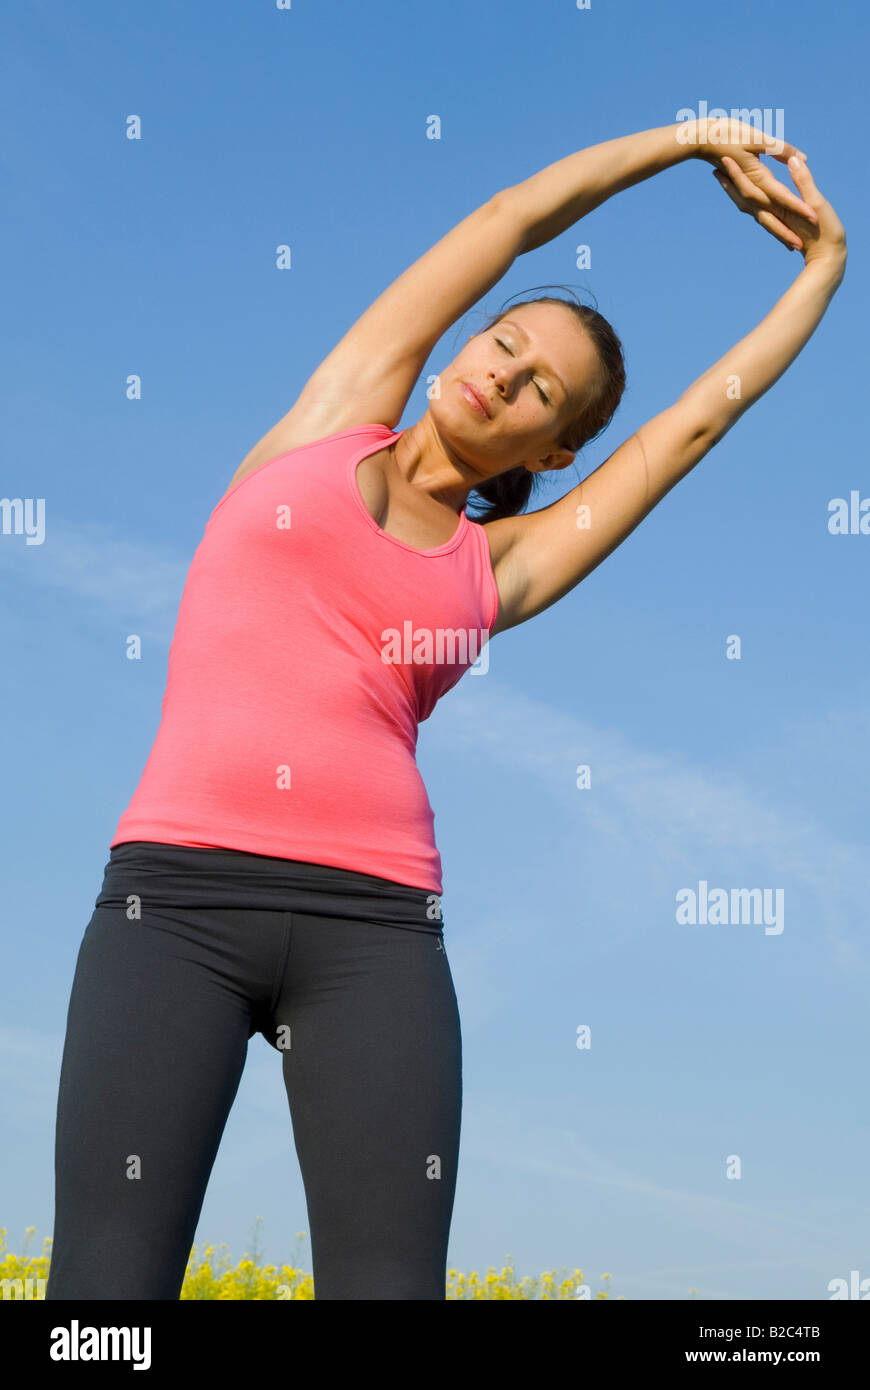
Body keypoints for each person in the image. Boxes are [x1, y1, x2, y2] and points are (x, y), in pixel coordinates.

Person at [45, 116, 846, 1301]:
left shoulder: (499, 568)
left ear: (557, 447)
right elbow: (511, 217)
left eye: (539, 391)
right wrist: (683, 142)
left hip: (372, 933)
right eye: (504, 341)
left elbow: (691, 430)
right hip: (175, 903)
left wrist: (827, 267)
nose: (501, 374)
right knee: (101, 1305)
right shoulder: (332, 419)